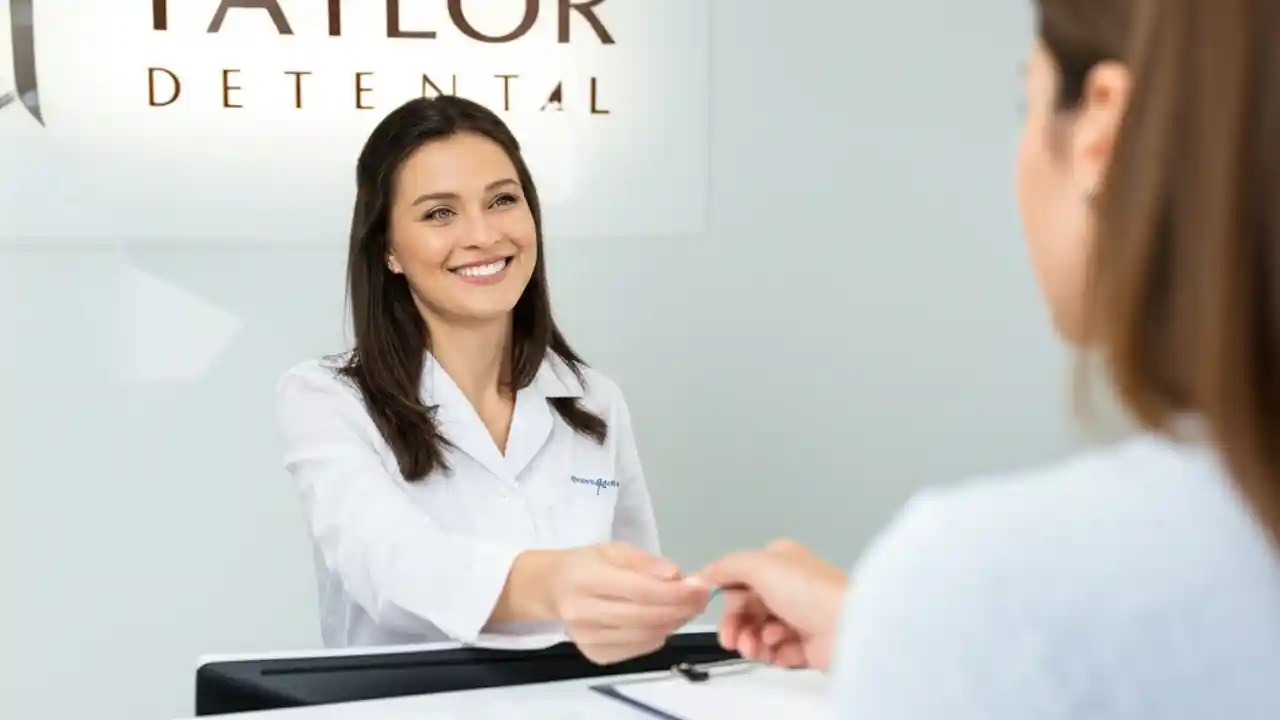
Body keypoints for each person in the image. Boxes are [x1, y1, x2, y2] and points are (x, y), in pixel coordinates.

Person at [696, 0, 1280, 717]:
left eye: (1024, 101)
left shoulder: (985, 581)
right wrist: (887, 627)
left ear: (1101, 129)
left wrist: (937, 627)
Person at [275, 95, 708, 661]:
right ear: (388, 250)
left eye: (503, 200)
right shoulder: (326, 398)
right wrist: (553, 582)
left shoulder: (595, 400)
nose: (482, 235)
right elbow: (386, 564)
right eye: (439, 213)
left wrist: (670, 600)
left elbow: (635, 600)